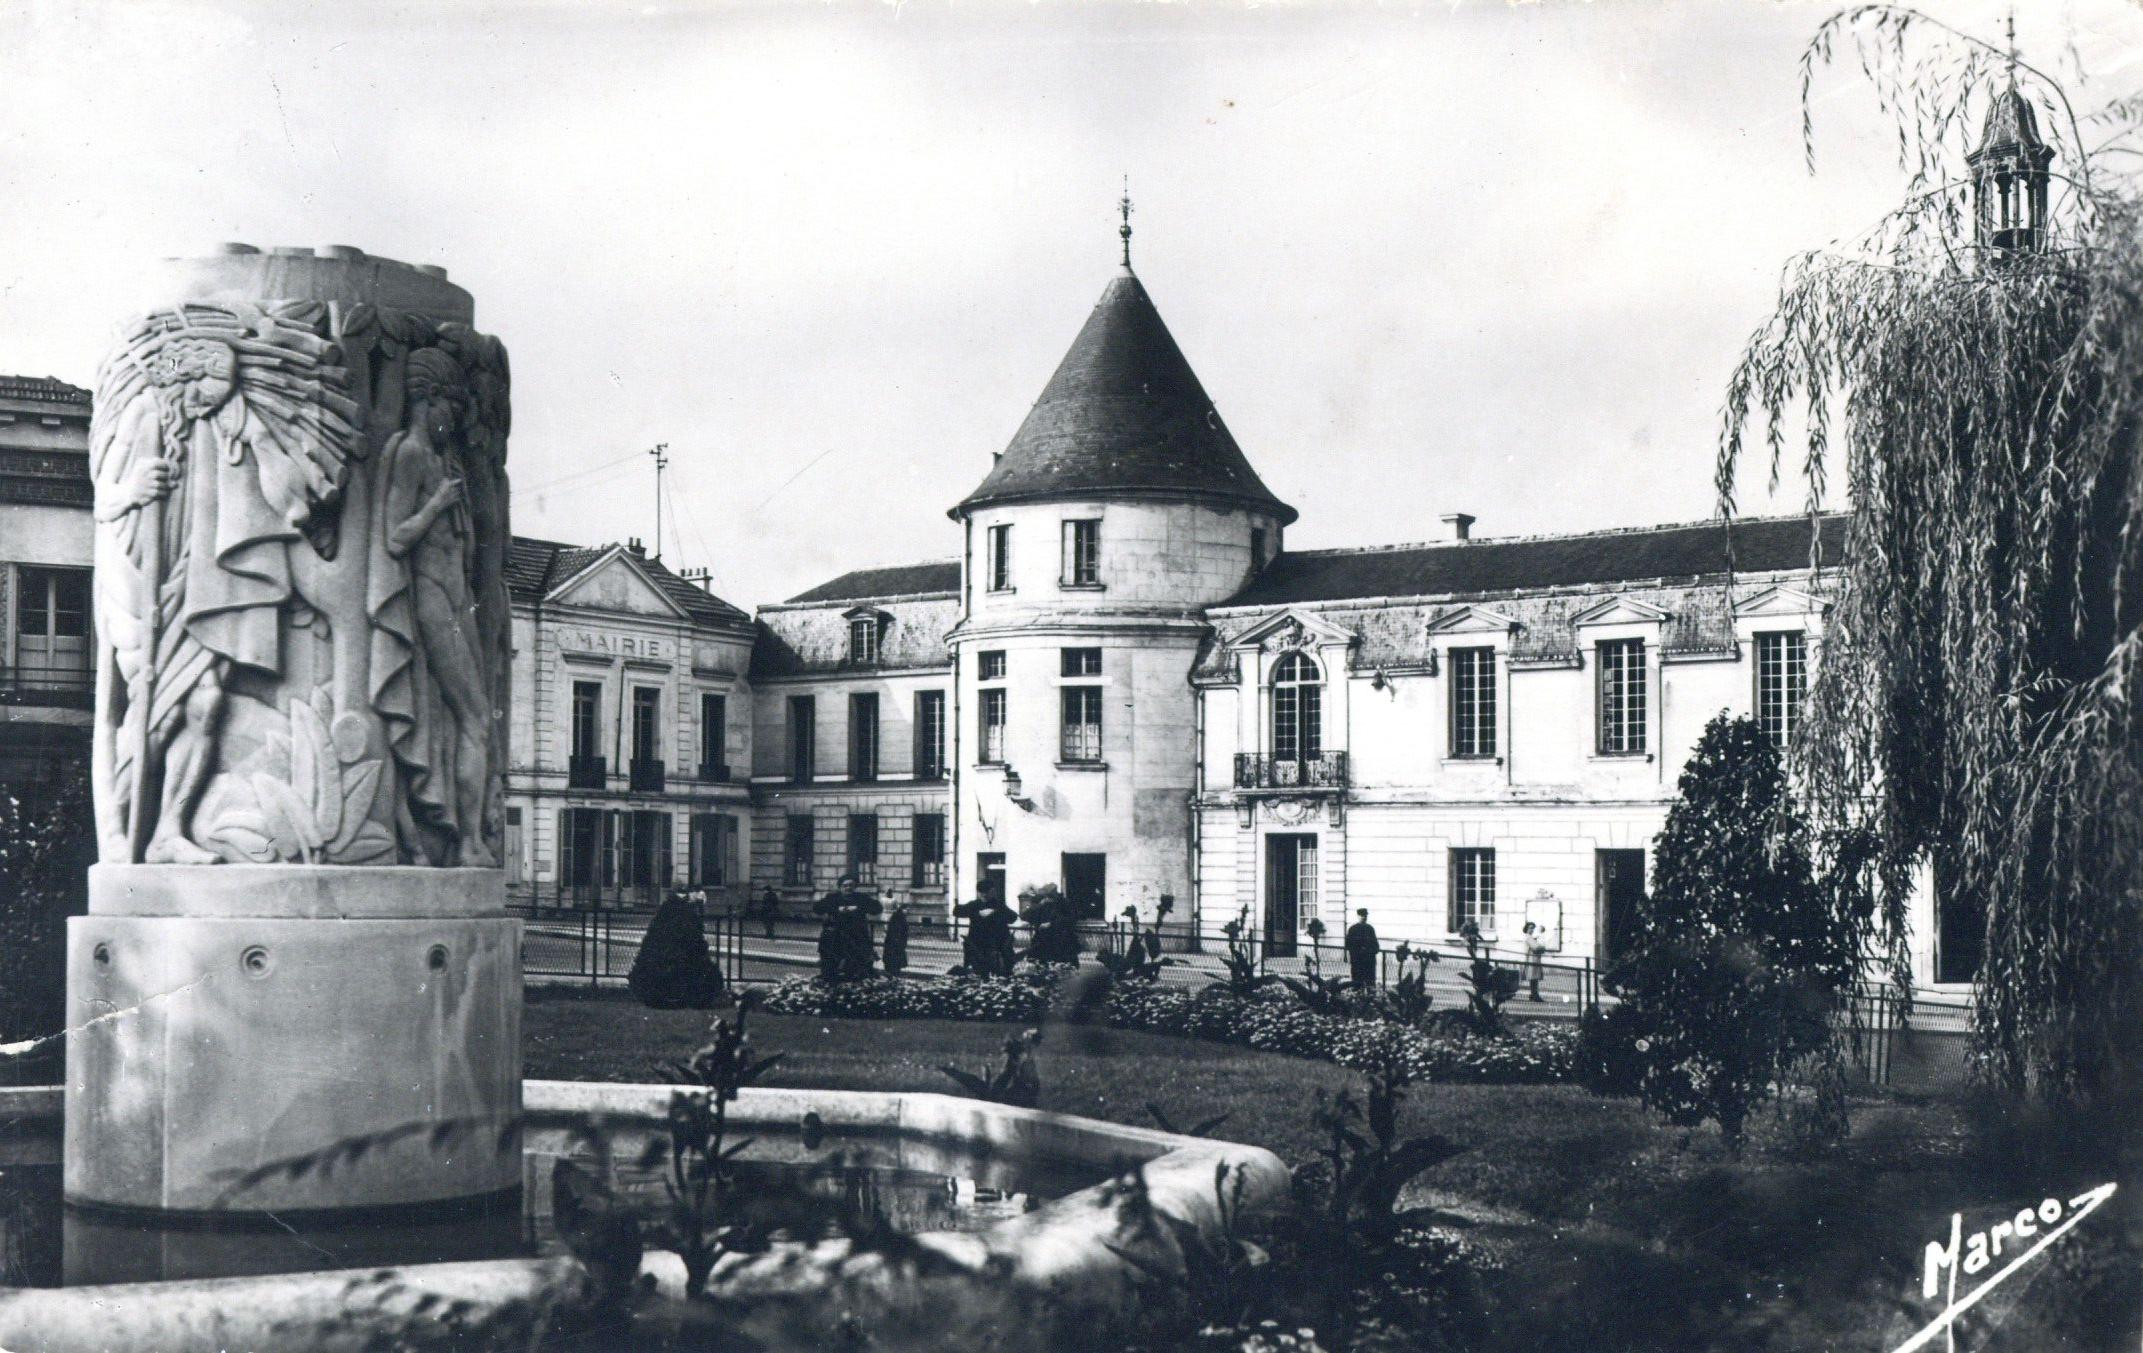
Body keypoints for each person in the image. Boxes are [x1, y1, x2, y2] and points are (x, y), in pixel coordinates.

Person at [813, 875, 882, 983]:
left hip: (856, 939)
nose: (848, 888)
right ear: (840, 887)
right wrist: (837, 909)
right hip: (835, 939)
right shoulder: (832, 898)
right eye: (845, 886)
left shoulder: (861, 898)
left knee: (857, 969)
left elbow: (877, 908)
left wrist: (859, 908)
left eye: (851, 885)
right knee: (831, 968)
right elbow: (817, 909)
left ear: (855, 887)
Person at [955, 894, 1017, 977]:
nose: (984, 896)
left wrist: (994, 913)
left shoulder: (998, 905)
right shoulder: (975, 905)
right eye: (982, 893)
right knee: (984, 971)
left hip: (994, 946)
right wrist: (978, 913)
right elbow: (957, 911)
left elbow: (1013, 917)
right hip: (981, 946)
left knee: (994, 971)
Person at [1345, 908, 1380, 989]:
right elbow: (1348, 945)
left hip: (1369, 961)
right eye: (1362, 915)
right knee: (1357, 982)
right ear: (1358, 916)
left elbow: (1375, 945)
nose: (1364, 917)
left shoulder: (1370, 929)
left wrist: (1371, 951)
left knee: (1370, 983)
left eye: (1365, 916)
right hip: (1357, 961)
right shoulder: (1353, 929)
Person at [1523, 920, 1550, 1002]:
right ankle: (1535, 995)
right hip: (1532, 960)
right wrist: (1543, 948)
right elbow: (1536, 947)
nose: (1532, 930)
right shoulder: (1528, 937)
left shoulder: (1532, 938)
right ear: (1526, 929)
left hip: (1534, 960)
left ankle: (1533, 994)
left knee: (1534, 979)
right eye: (1530, 928)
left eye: (1533, 928)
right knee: (1534, 978)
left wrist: (1541, 948)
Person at [883, 901, 910, 977]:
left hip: (895, 942)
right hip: (895, 943)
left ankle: (893, 975)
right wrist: (899, 940)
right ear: (902, 909)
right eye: (906, 910)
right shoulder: (899, 916)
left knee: (894, 961)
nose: (907, 911)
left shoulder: (898, 916)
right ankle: (893, 976)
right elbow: (898, 930)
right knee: (895, 961)